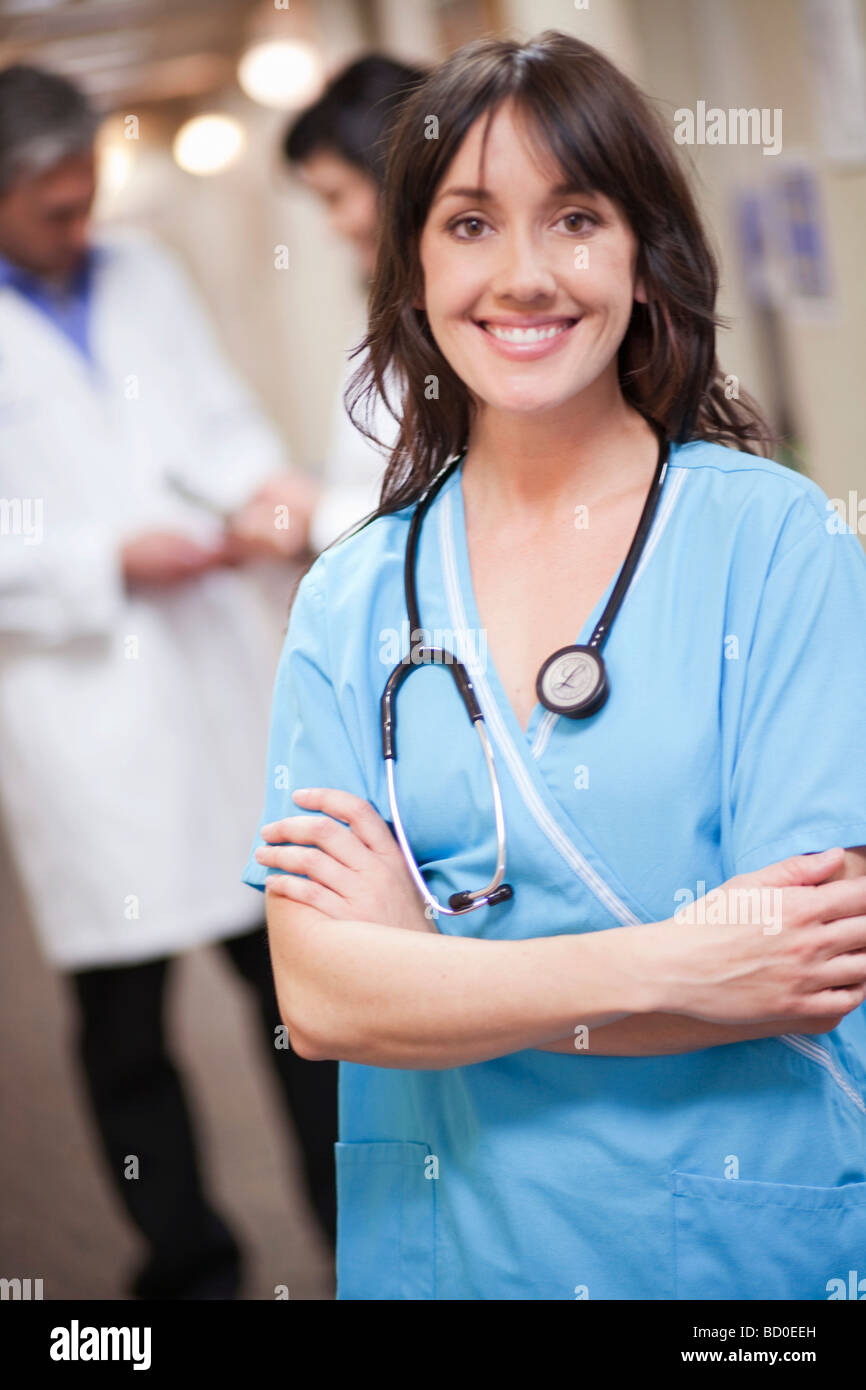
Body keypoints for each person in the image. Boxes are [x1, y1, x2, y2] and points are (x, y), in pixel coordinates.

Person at [241, 32, 866, 1301]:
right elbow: (319, 1002)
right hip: (446, 1237)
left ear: (643, 258)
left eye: (573, 217)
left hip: (725, 1244)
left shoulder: (777, 541)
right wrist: (678, 963)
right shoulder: (350, 600)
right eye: (469, 224)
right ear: (411, 268)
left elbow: (797, 967)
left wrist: (424, 963)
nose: (522, 276)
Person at [0, 64, 336, 1299]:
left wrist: (260, 489)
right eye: (51, 210)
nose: (80, 228)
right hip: (78, 706)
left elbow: (219, 419)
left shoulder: (143, 274)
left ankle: (353, 1235)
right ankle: (186, 1260)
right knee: (128, 1028)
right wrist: (98, 557)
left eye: (87, 200)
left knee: (295, 992)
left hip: (211, 670)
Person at [282, 55, 425, 552]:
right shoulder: (390, 309)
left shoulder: (470, 321)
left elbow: (462, 499)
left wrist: (319, 519)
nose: (334, 226)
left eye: (336, 197)